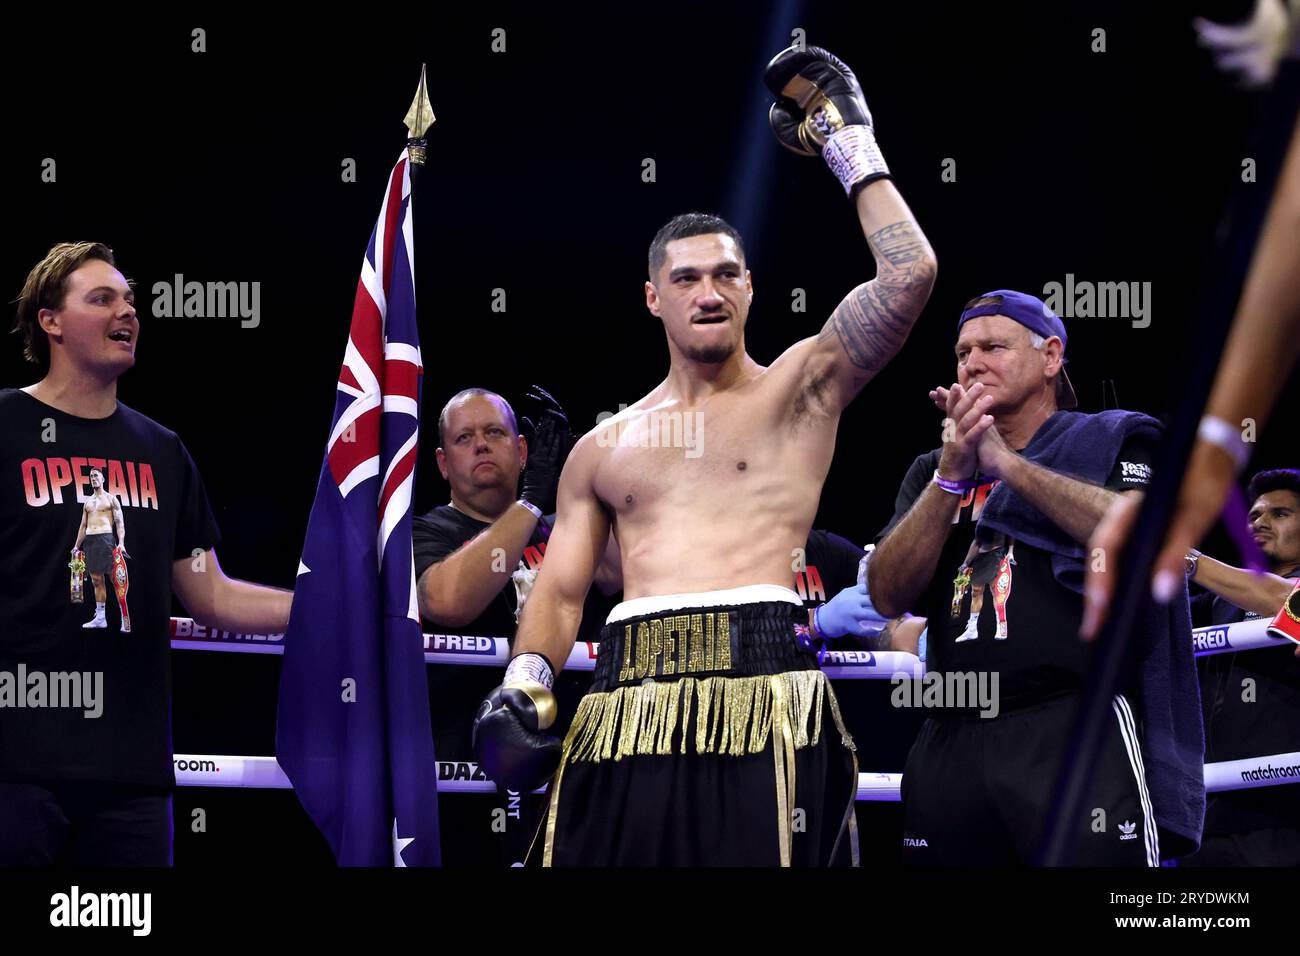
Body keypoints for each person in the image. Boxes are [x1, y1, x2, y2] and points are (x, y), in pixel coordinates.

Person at [472, 45, 938, 866]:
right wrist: (524, 685)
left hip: (765, 685)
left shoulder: (801, 389)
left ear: (752, 287)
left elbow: (908, 275)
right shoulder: (603, 447)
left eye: (726, 274)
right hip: (625, 700)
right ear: (654, 297)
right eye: (686, 278)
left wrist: (848, 142)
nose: (709, 292)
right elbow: (562, 588)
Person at [869, 289, 1203, 865]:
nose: (971, 363)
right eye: (962, 351)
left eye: (992, 347)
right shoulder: (933, 470)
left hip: (1071, 724)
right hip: (951, 732)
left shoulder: (1114, 439)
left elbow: (1141, 537)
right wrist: (951, 477)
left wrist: (1006, 466)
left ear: (1050, 357)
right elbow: (885, 592)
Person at [0, 242, 293, 866]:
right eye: (102, 298)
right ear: (50, 321)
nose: (127, 312)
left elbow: (211, 596)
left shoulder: (161, 449)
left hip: (130, 775)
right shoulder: (4, 425)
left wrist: (332, 604)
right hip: (13, 766)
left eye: (130, 300)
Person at [412, 385, 618, 866]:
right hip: (466, 769)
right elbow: (446, 600)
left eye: (494, 433)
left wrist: (577, 479)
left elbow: (621, 571)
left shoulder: (566, 528)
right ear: (443, 464)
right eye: (465, 438)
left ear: (522, 450)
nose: (481, 444)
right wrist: (527, 506)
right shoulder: (429, 531)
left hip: (567, 761)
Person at [1182, 468, 1300, 865]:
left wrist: (1184, 555)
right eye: (1254, 515)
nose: (1261, 522)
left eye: (1280, 514)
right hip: (1211, 817)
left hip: (1287, 815)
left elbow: (1284, 598)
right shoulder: (1220, 601)